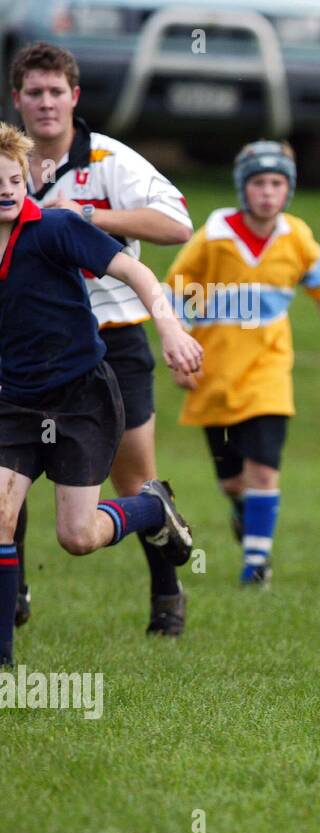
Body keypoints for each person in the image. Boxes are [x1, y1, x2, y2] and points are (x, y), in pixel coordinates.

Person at [0, 122, 202, 666]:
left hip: (81, 398)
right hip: (13, 401)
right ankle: (3, 661)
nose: (4, 190)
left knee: (78, 536)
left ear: (25, 180)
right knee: (0, 509)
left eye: (13, 179)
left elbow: (136, 271)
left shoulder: (57, 228)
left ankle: (150, 509)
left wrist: (172, 329)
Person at [165, 140, 320, 586]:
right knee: (233, 481)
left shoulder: (297, 237)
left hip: (269, 371)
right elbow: (174, 290)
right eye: (257, 183)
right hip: (215, 372)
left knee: (265, 470)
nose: (267, 192)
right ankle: (242, 511)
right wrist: (179, 349)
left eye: (276, 183)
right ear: (241, 188)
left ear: (287, 190)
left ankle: (256, 567)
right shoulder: (214, 235)